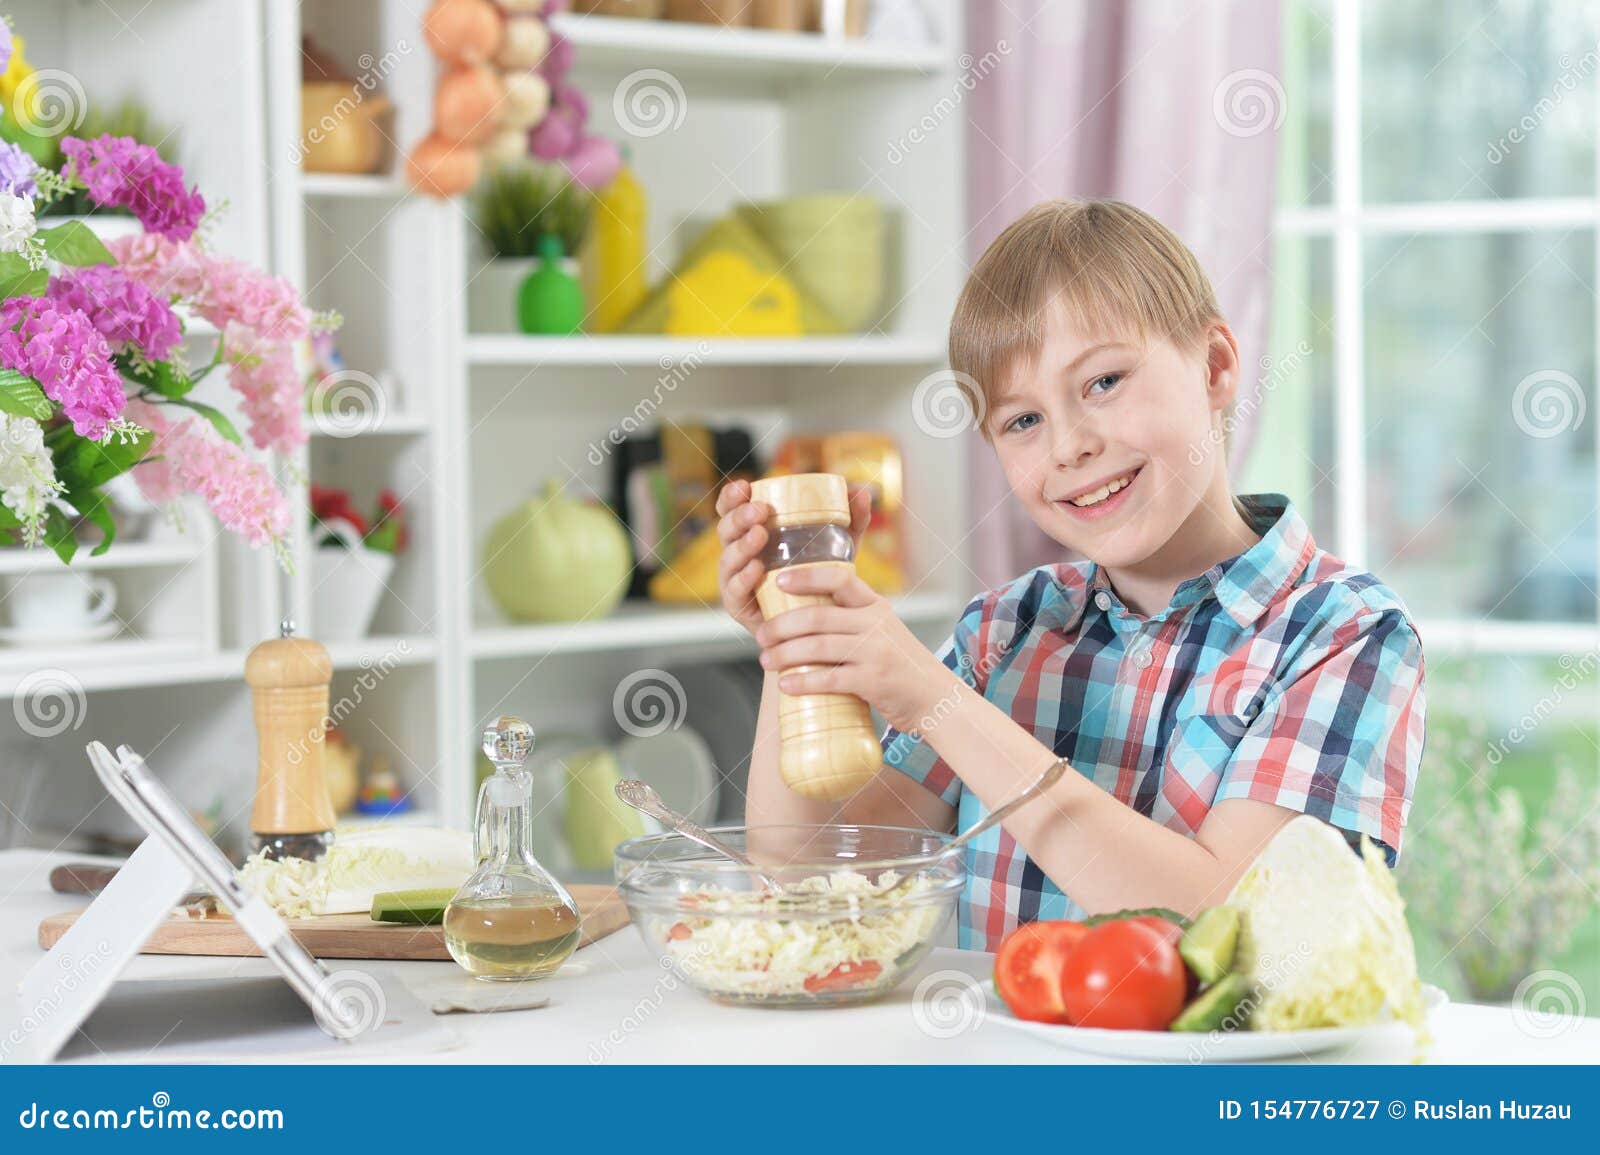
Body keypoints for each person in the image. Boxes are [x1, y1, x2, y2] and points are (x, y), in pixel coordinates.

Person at [716, 199, 1425, 950]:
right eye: (1023, 422)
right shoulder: (1007, 629)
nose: (1070, 447)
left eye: (1104, 382)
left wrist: (939, 700)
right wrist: (795, 637)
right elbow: (809, 867)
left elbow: (1239, 929)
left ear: (1215, 367)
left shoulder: (1342, 633)